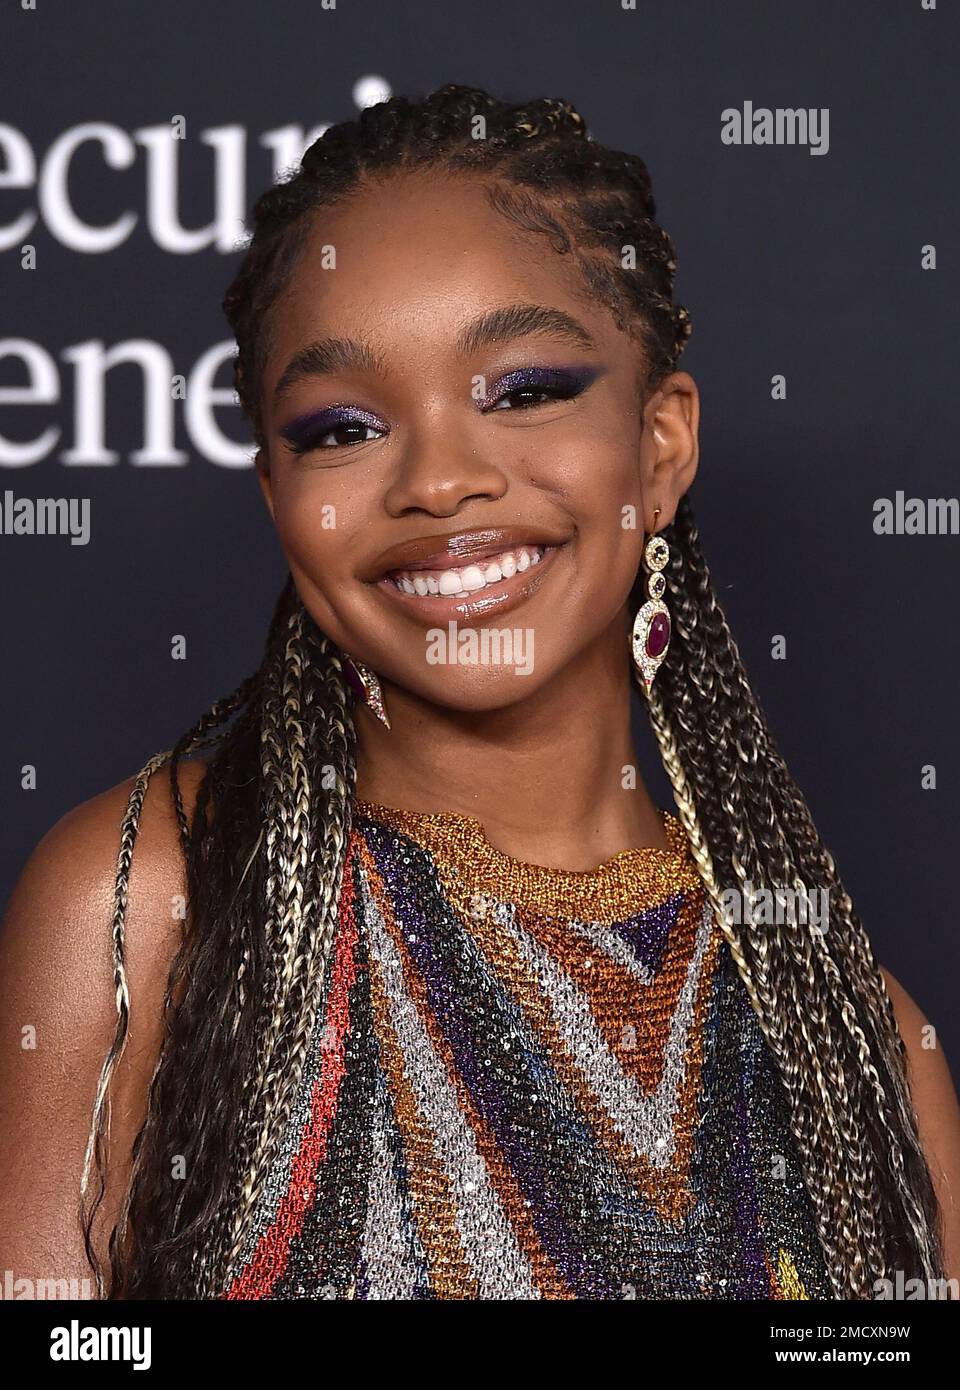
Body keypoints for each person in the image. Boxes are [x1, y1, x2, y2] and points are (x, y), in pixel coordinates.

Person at [2, 84, 958, 1302]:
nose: (441, 480)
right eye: (342, 426)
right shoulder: (152, 898)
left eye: (525, 390)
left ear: (661, 447)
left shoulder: (858, 1041)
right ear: (278, 497)